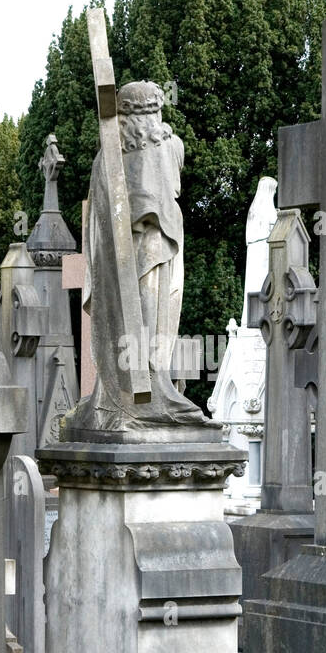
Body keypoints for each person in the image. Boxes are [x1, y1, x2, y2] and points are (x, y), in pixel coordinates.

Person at [72, 80, 208, 432]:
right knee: (141, 323)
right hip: (134, 260)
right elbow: (104, 220)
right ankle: (133, 394)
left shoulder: (159, 147)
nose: (157, 121)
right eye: (152, 113)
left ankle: (151, 386)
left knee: (158, 322)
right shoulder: (115, 156)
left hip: (157, 253)